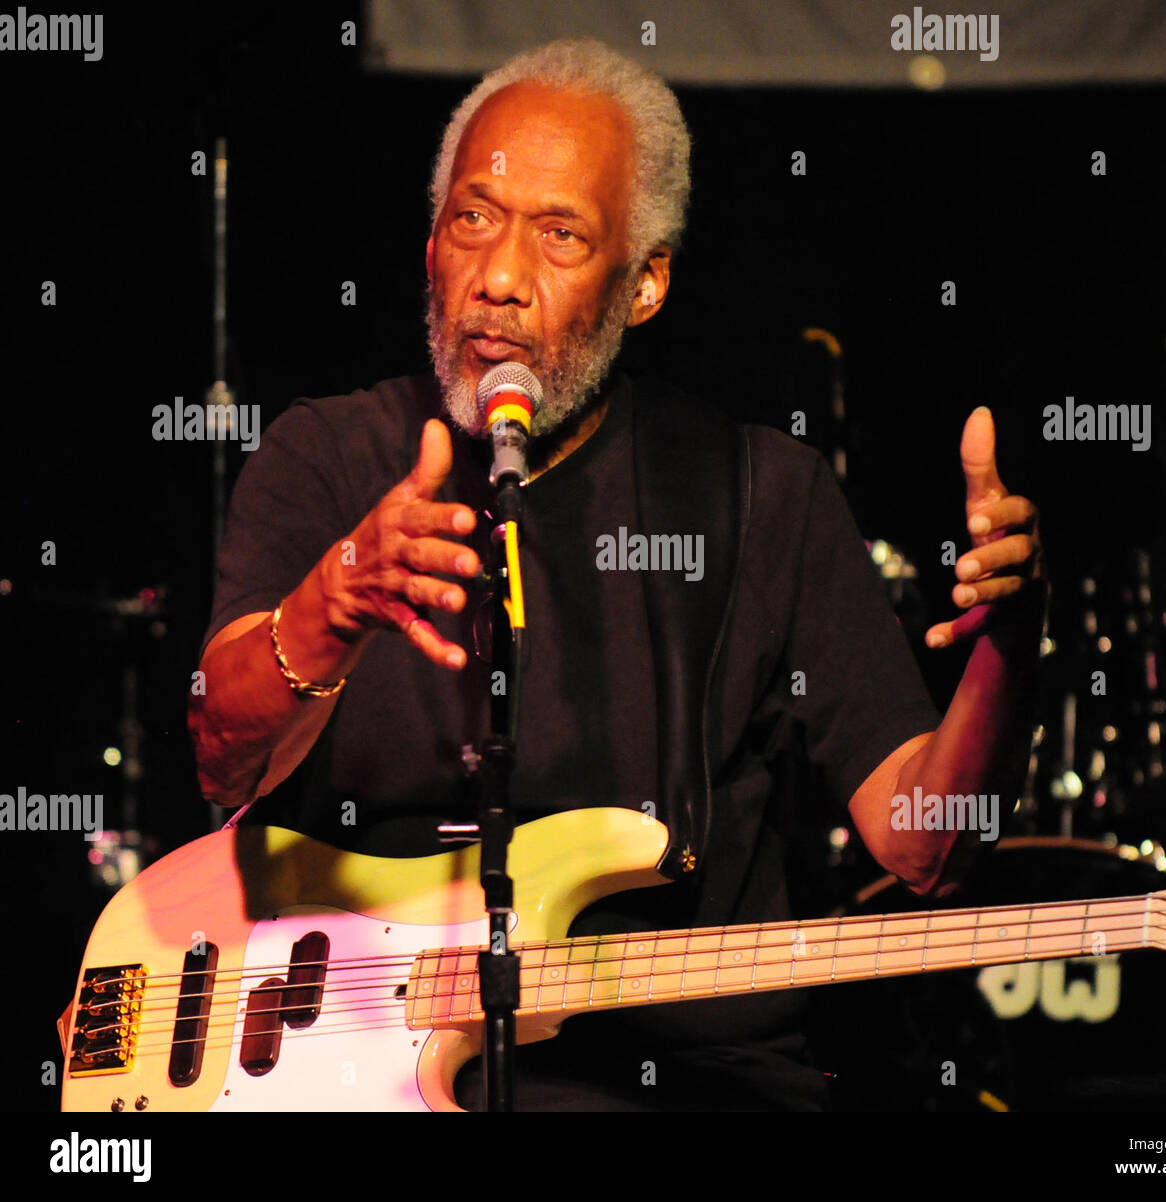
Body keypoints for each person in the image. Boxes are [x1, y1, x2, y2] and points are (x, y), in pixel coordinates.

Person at [188, 37, 1046, 1111]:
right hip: (343, 1065)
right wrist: (328, 607)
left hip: (678, 1081)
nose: (499, 276)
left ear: (643, 286)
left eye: (559, 235)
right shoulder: (326, 456)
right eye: (474, 217)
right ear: (429, 244)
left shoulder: (763, 495)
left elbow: (928, 851)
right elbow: (221, 754)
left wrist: (1010, 651)